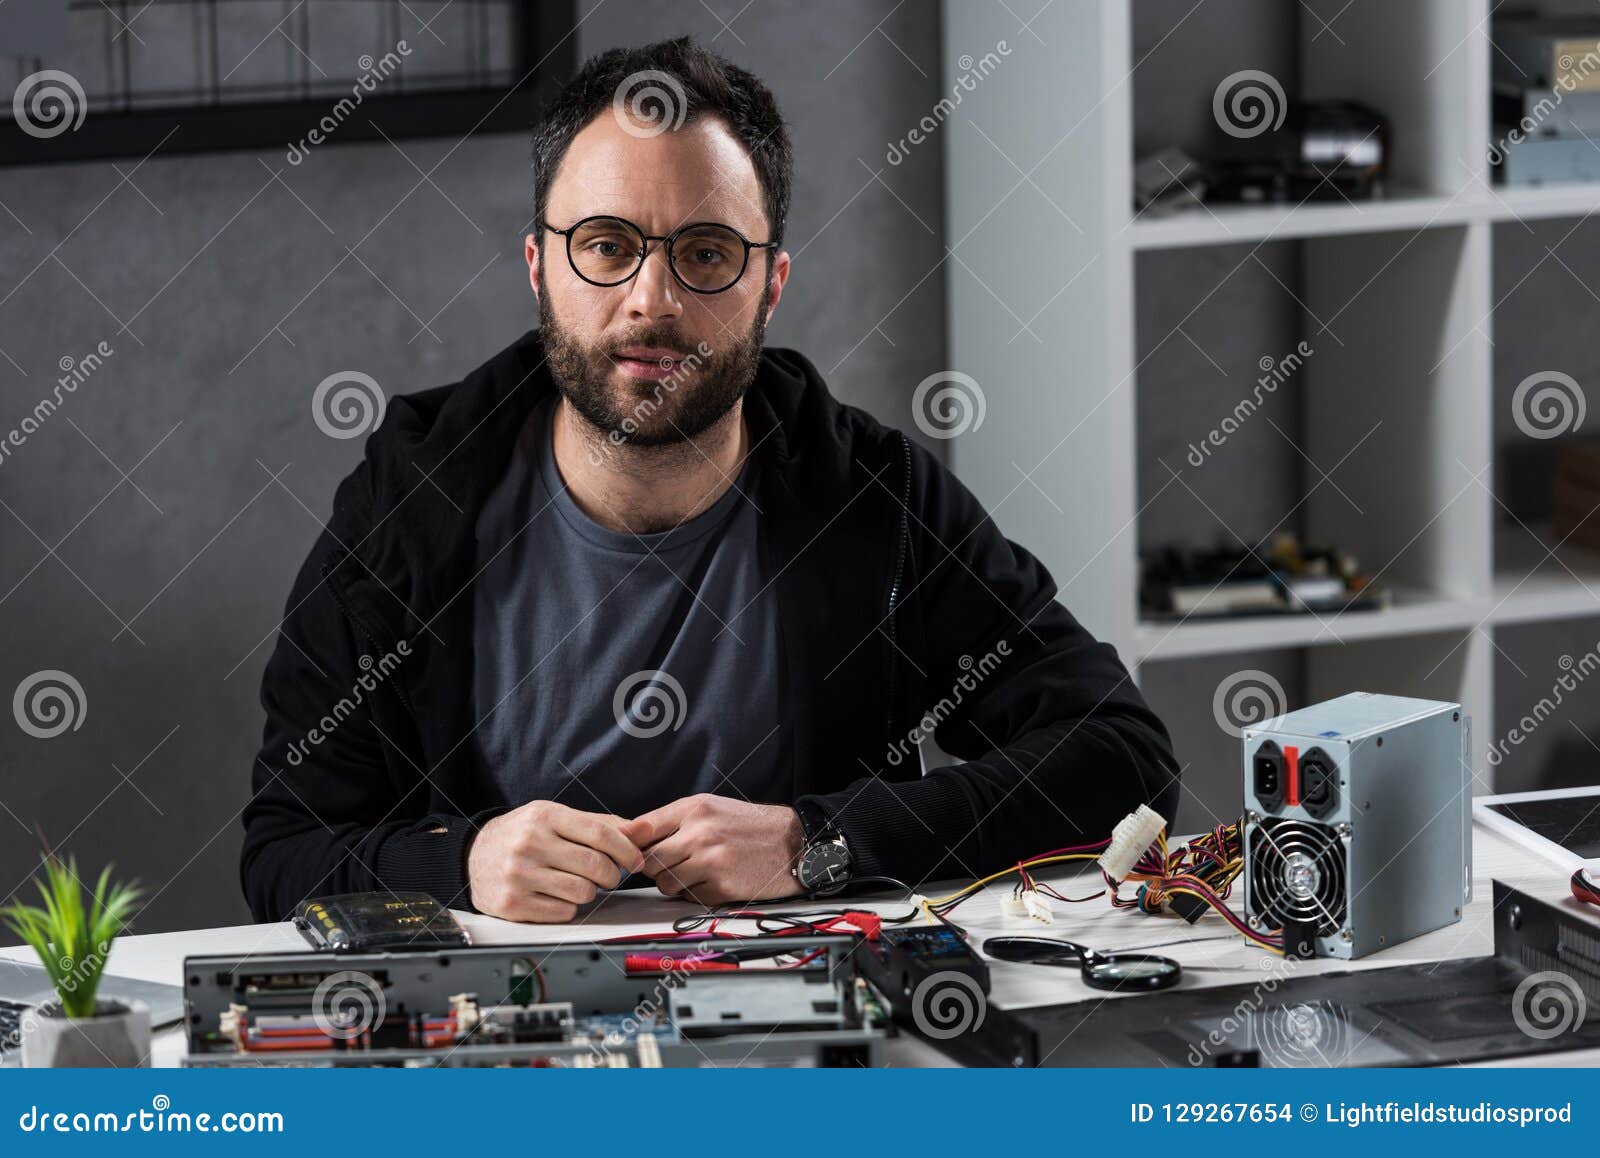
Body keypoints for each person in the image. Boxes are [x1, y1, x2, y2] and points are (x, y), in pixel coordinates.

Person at [240, 36, 1180, 924]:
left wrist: (823, 841)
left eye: (706, 254)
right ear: (539, 267)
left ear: (770, 284)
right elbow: (285, 851)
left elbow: (1123, 760)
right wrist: (462, 863)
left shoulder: (873, 497)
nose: (652, 300)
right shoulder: (409, 507)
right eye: (606, 246)